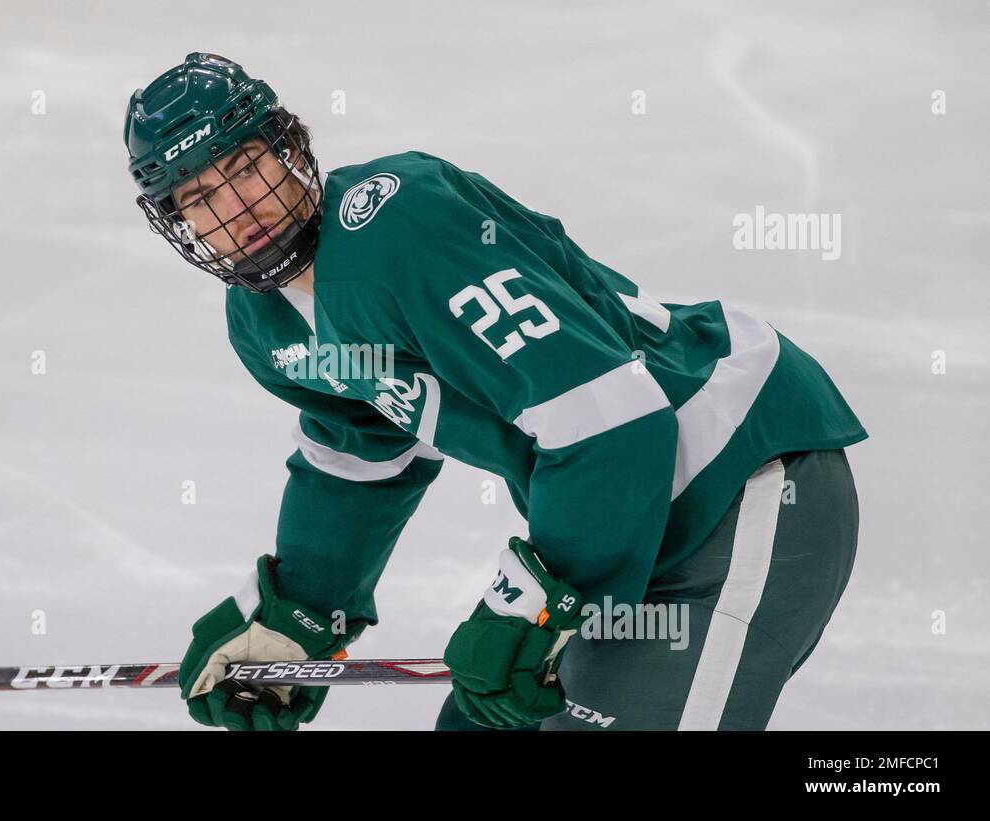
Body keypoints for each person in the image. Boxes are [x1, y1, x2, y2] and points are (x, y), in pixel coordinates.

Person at [123, 53, 867, 731]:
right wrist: (301, 615)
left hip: (742, 482)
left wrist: (535, 607)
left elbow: (610, 416)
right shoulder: (265, 326)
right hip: (623, 532)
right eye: (199, 196)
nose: (235, 208)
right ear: (179, 227)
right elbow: (358, 455)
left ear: (290, 151)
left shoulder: (397, 226)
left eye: (246, 167)